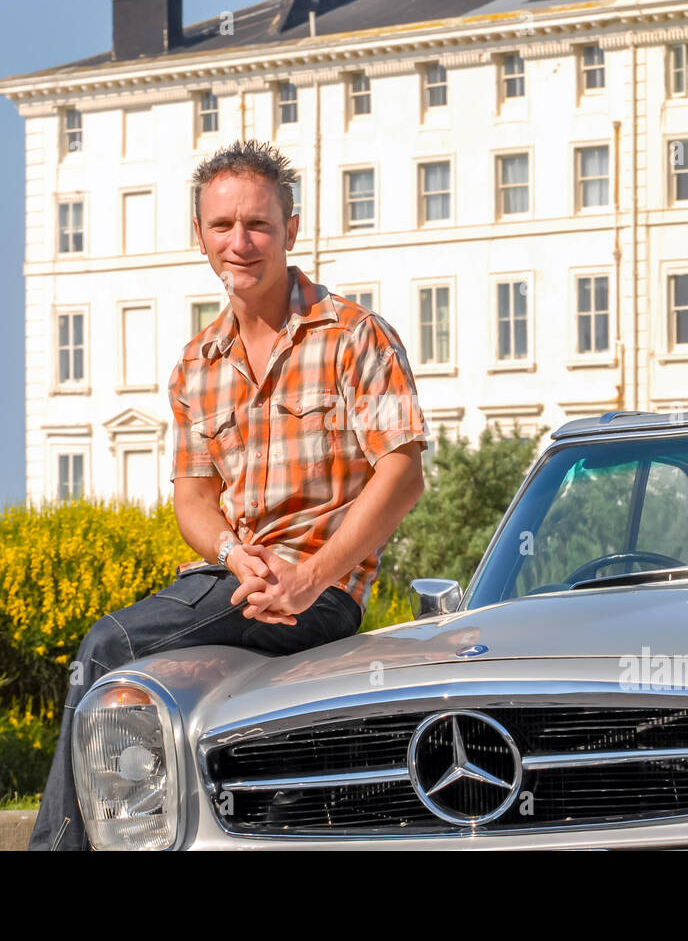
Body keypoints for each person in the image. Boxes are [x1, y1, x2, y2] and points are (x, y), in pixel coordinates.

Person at [27, 139, 429, 850]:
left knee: (108, 644)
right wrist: (231, 551)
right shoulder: (196, 363)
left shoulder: (353, 336)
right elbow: (193, 500)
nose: (239, 243)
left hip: (321, 591)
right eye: (223, 227)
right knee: (150, 690)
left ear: (291, 231)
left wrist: (310, 576)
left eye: (257, 226)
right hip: (235, 581)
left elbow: (402, 474)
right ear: (199, 236)